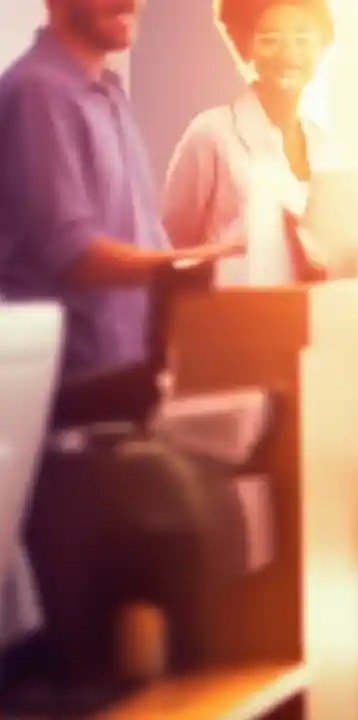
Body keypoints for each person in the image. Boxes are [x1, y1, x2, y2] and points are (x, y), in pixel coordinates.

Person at [0, 1, 250, 710]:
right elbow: (73, 253)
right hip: (69, 397)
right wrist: (195, 264)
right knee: (96, 654)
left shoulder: (106, 92)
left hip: (123, 386)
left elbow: (137, 233)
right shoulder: (37, 95)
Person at [162, 0, 337, 284]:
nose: (288, 54)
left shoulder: (325, 146)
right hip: (230, 314)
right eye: (270, 40)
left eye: (303, 39)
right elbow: (171, 251)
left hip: (308, 314)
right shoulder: (211, 133)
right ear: (246, 48)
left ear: (321, 47)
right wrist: (233, 253)